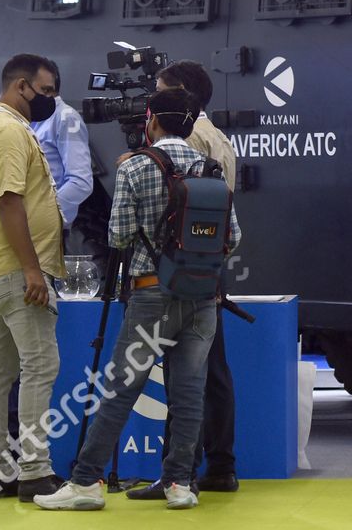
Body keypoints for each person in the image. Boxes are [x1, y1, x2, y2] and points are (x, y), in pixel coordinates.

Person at [35, 88, 242, 512]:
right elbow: (233, 237)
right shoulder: (211, 168)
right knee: (189, 393)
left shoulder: (137, 168)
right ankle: (179, 483)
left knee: (118, 391)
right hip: (203, 298)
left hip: (151, 294)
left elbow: (117, 237)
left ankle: (87, 482)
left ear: (151, 121)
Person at [123, 60, 241, 498]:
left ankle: (180, 472)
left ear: (181, 97)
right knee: (213, 370)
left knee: (183, 375)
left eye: (161, 92)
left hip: (172, 271)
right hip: (209, 267)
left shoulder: (184, 140)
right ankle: (221, 466)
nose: (151, 103)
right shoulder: (221, 140)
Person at [0, 54, 66, 502]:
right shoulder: (6, 130)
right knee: (40, 365)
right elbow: (7, 200)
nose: (52, 100)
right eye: (47, 91)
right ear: (22, 86)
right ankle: (35, 472)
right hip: (17, 272)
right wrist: (30, 267)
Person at [32, 59, 94, 231]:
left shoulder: (65, 117)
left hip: (45, 227)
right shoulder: (34, 119)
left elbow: (80, 181)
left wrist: (38, 216)